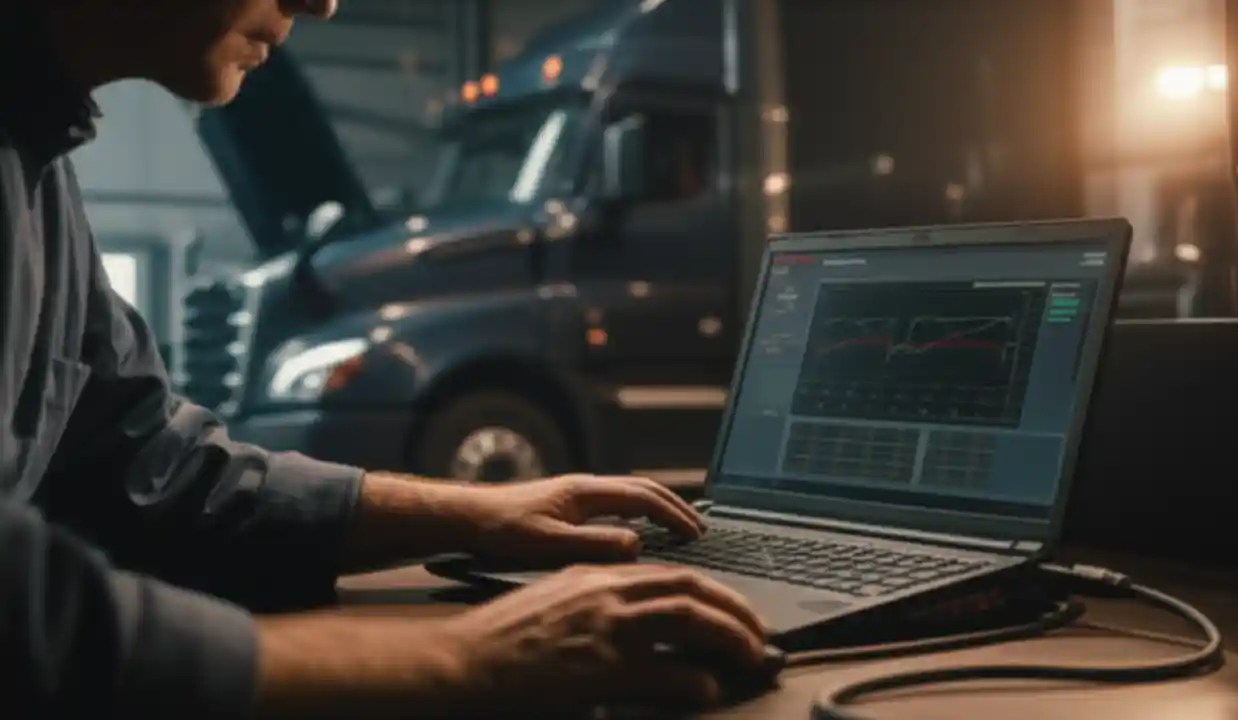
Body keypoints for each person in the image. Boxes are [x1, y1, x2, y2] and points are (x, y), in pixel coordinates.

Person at [0, 1, 768, 718]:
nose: (323, 3)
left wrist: (480, 513)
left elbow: (147, 468)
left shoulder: (39, 158)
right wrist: (458, 656)